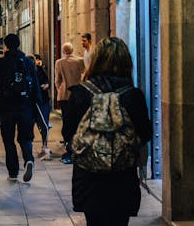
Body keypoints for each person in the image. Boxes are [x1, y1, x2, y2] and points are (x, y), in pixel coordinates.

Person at [62, 37, 153, 226]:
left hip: (89, 177)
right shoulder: (133, 96)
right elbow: (146, 134)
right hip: (122, 176)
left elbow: (68, 132)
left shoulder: (80, 93)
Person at [0, 33, 44, 182]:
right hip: (25, 106)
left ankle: (13, 172)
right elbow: (35, 84)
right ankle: (28, 159)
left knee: (8, 140)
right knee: (25, 138)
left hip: (7, 107)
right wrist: (37, 104)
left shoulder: (2, 62)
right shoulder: (28, 62)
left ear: (6, 45)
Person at [54, 42, 85, 164]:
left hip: (65, 94)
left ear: (63, 51)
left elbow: (58, 79)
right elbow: (84, 75)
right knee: (78, 119)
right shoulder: (80, 61)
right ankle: (76, 141)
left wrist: (59, 90)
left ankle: (68, 141)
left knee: (66, 119)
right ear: (73, 50)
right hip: (78, 94)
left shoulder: (59, 62)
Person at [34, 54, 53, 160]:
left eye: (38, 59)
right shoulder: (28, 71)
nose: (37, 61)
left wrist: (46, 85)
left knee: (44, 124)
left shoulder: (41, 70)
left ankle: (44, 145)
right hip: (34, 102)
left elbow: (47, 82)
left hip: (43, 100)